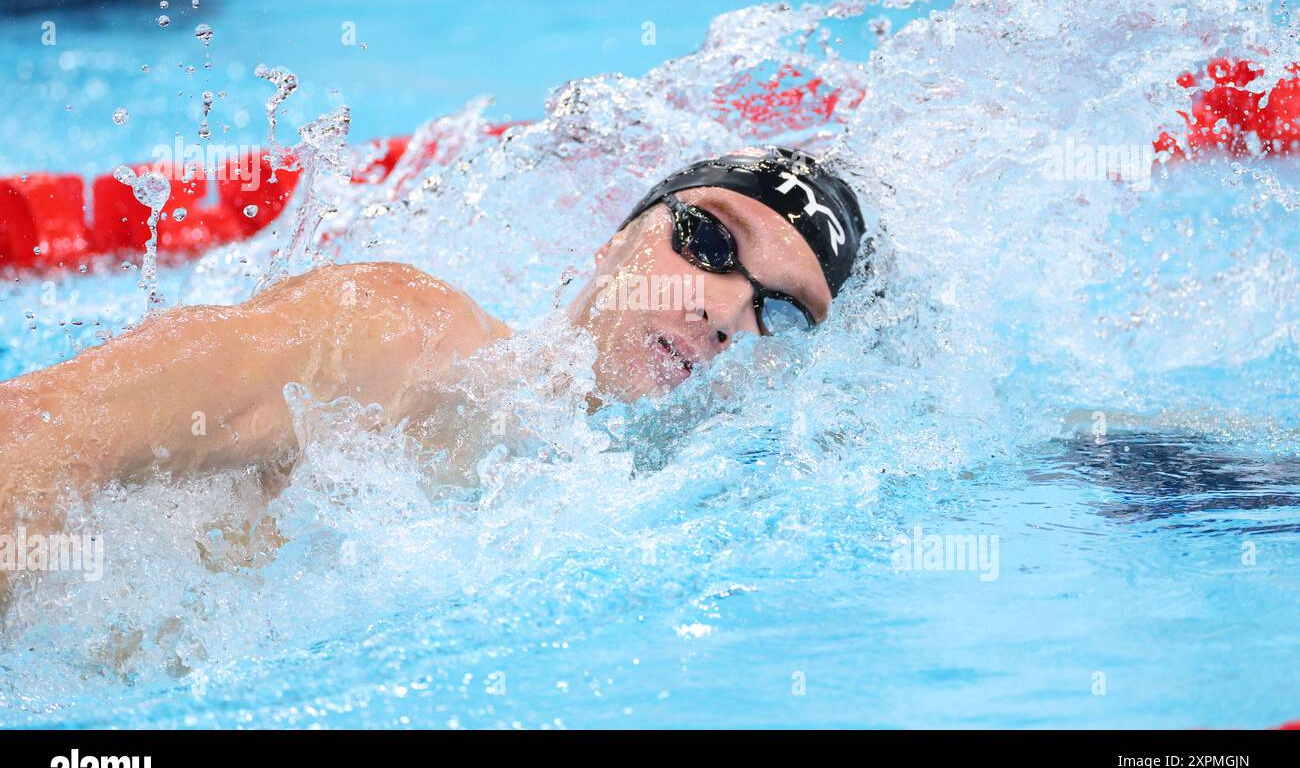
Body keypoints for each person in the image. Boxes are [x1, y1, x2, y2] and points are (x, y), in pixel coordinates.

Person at [0, 147, 866, 553]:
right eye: (709, 243)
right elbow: (40, 430)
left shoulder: (703, 517)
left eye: (781, 314)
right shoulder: (397, 335)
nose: (724, 312)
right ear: (614, 243)